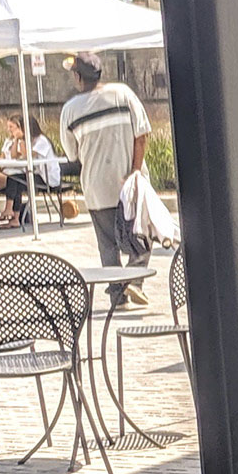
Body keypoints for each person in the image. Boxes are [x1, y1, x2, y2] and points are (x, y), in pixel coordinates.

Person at [59, 52, 152, 307]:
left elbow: (72, 153)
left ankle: (117, 296)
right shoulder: (123, 94)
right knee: (143, 235)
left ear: (78, 78)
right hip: (130, 183)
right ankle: (136, 280)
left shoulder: (70, 110)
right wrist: (134, 171)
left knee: (108, 245)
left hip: (97, 187)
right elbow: (141, 135)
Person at [0, 114, 60, 229]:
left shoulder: (41, 140)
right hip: (28, 172)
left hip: (46, 177)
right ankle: (8, 216)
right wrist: (16, 140)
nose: (10, 130)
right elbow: (13, 156)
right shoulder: (12, 140)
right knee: (1, 178)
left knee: (15, 178)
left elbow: (27, 155)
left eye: (13, 127)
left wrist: (20, 140)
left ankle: (12, 214)